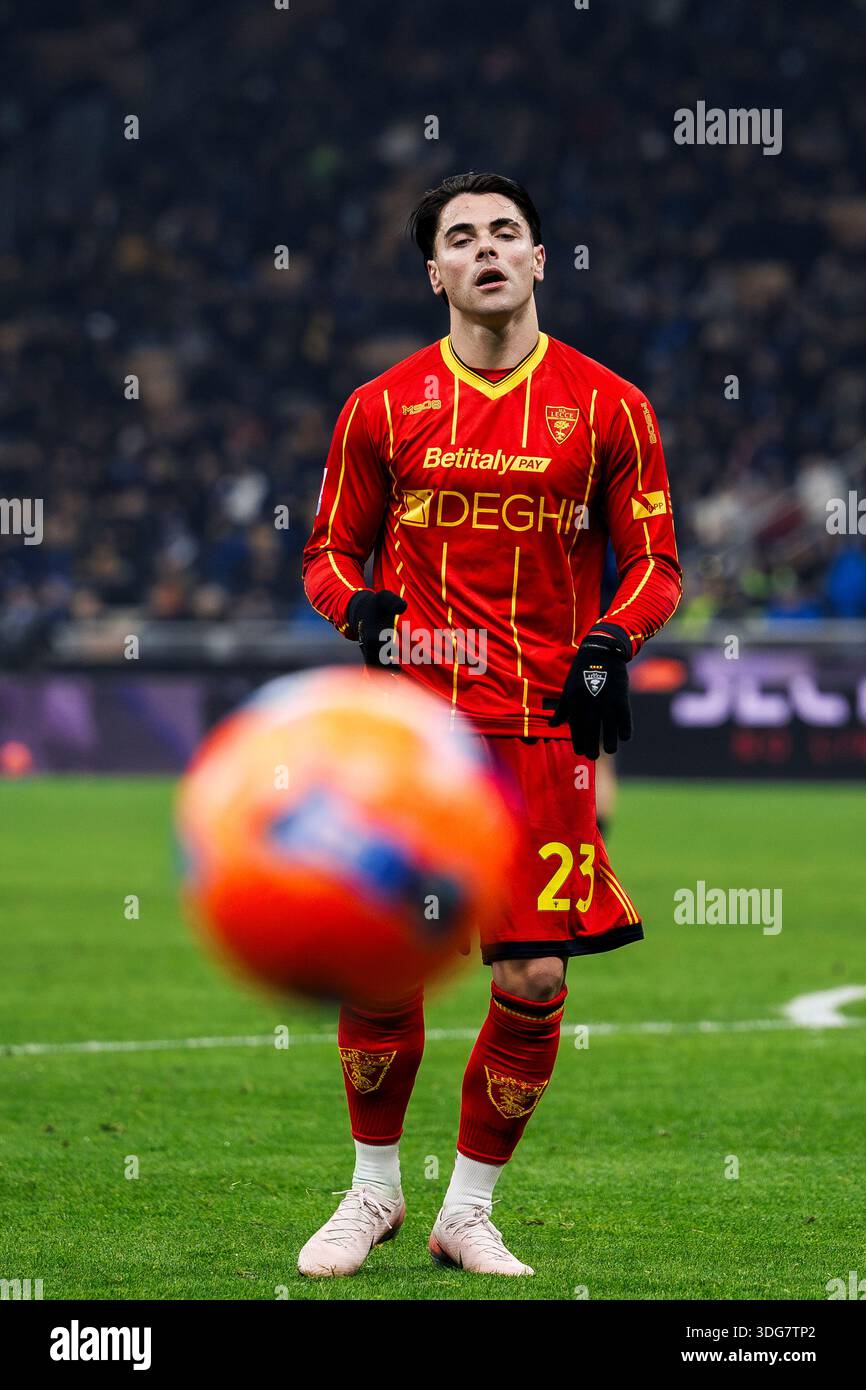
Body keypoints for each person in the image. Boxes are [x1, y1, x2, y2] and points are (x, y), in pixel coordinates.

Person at [300, 171, 682, 1277]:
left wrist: (610, 645)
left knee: (532, 981)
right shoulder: (380, 407)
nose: (484, 250)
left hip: (538, 735)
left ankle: (466, 1210)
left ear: (537, 258)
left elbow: (654, 562)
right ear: (433, 272)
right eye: (460, 237)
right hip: (415, 736)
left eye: (504, 233)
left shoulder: (609, 406)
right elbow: (327, 553)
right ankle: (370, 1192)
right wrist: (358, 609)